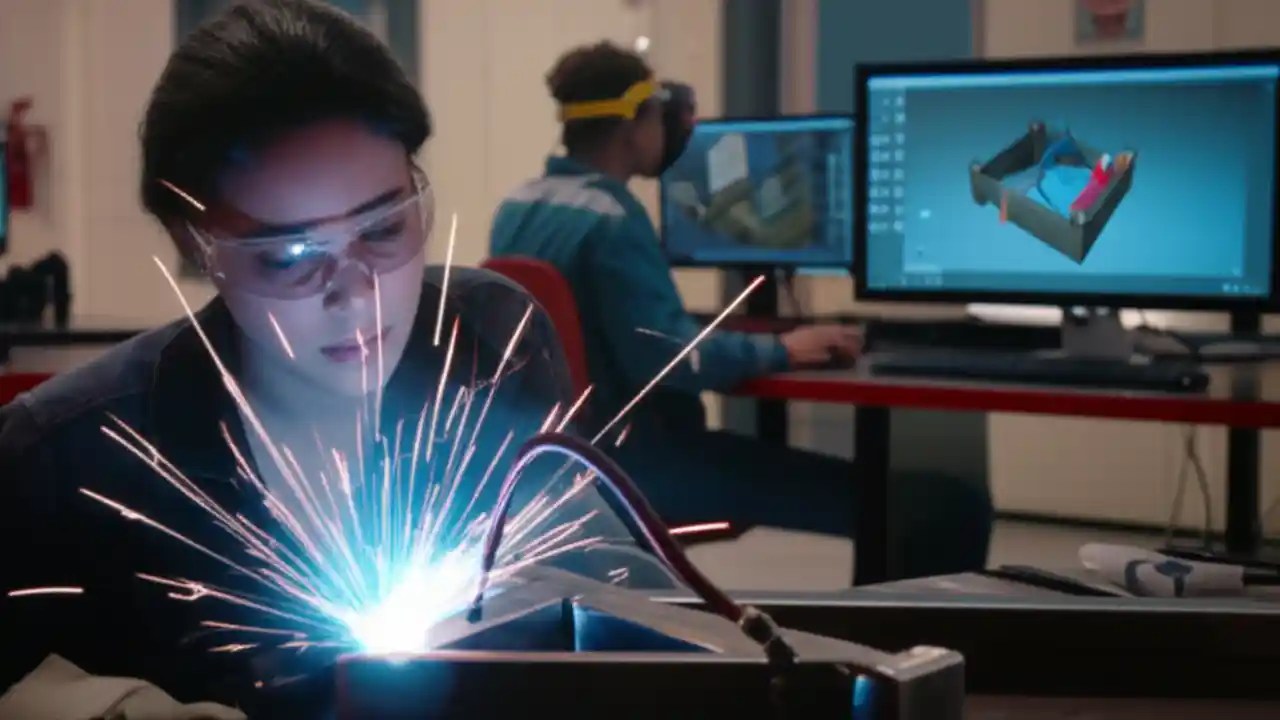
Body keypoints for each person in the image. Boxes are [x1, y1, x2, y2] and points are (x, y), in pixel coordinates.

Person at [0, 1, 617, 715]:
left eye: (385, 227)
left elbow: (583, 586)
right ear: (197, 245)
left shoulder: (492, 339)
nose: (356, 293)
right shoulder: (68, 458)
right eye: (290, 255)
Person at [490, 42, 993, 558]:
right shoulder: (613, 219)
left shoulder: (516, 206)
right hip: (641, 465)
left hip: (552, 463)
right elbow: (671, 359)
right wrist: (784, 350)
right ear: (633, 125)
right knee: (948, 505)